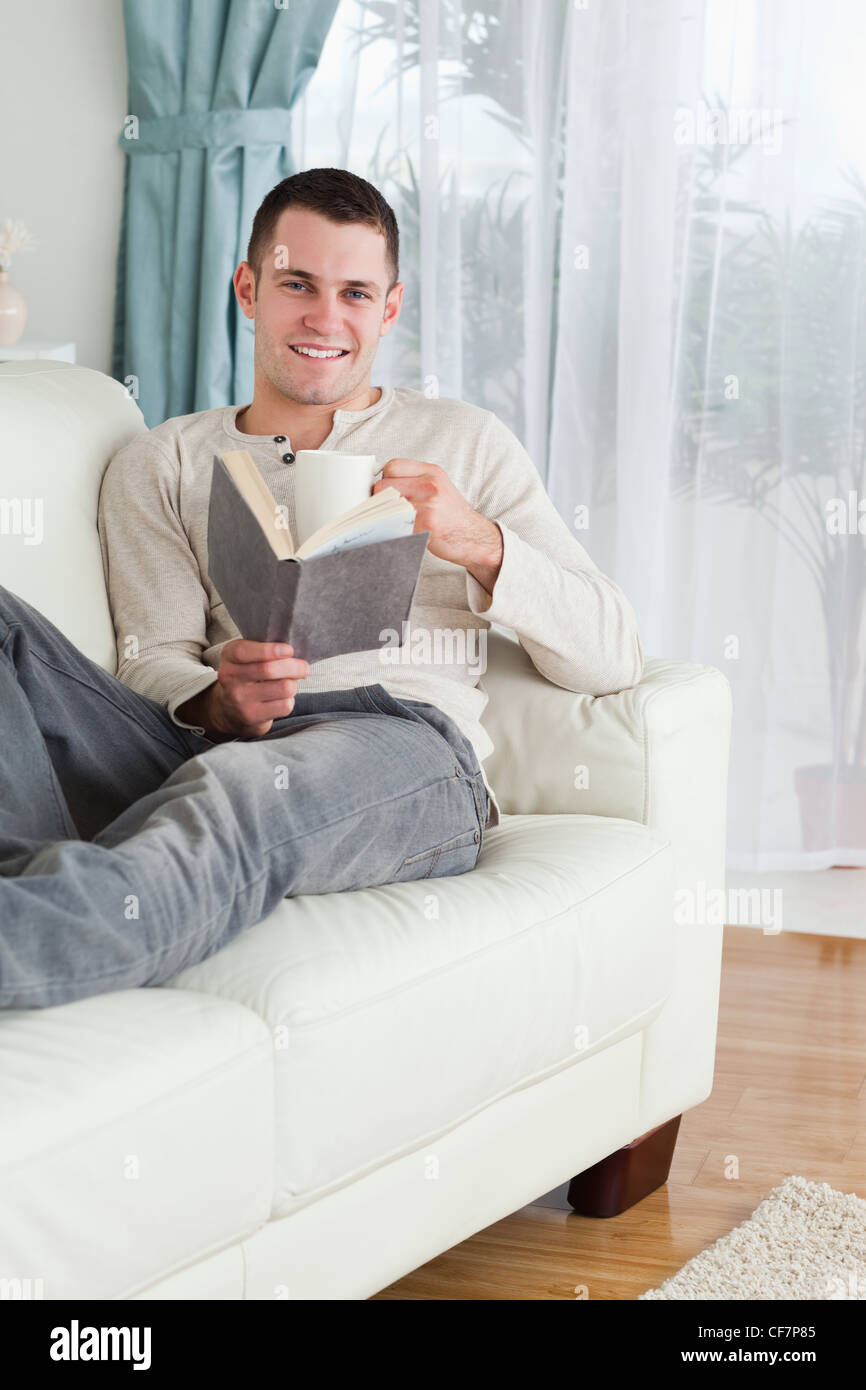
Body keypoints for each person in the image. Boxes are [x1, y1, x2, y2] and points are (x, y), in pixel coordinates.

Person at [0, 167, 643, 1012]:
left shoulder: (466, 442)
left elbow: (611, 653)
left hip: (396, 744)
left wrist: (479, 542)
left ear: (391, 307)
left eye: (355, 293)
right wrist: (216, 700)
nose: (325, 319)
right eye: (297, 284)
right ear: (249, 288)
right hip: (204, 740)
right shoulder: (164, 459)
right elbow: (151, 657)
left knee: (233, 799)